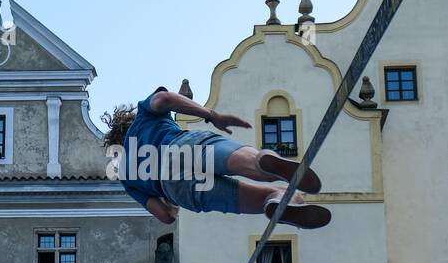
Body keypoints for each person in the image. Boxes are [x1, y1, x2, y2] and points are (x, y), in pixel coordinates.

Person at [103, 88, 331, 231]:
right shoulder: (142, 118)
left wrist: (172, 202)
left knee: (261, 200)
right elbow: (164, 98)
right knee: (249, 161)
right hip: (180, 146)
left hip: (174, 188)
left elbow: (165, 216)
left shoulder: (126, 176)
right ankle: (263, 163)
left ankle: (276, 197)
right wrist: (212, 115)